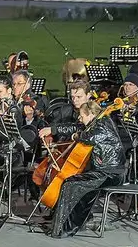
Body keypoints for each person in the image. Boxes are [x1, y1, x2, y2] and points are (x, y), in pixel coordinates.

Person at [42, 100, 127, 238]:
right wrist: (54, 129)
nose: (80, 119)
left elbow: (90, 137)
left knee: (71, 183)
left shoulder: (104, 124)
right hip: (102, 171)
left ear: (91, 114)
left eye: (82, 116)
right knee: (71, 183)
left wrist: (76, 136)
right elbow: (75, 127)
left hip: (111, 172)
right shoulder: (95, 123)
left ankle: (66, 228)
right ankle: (67, 225)